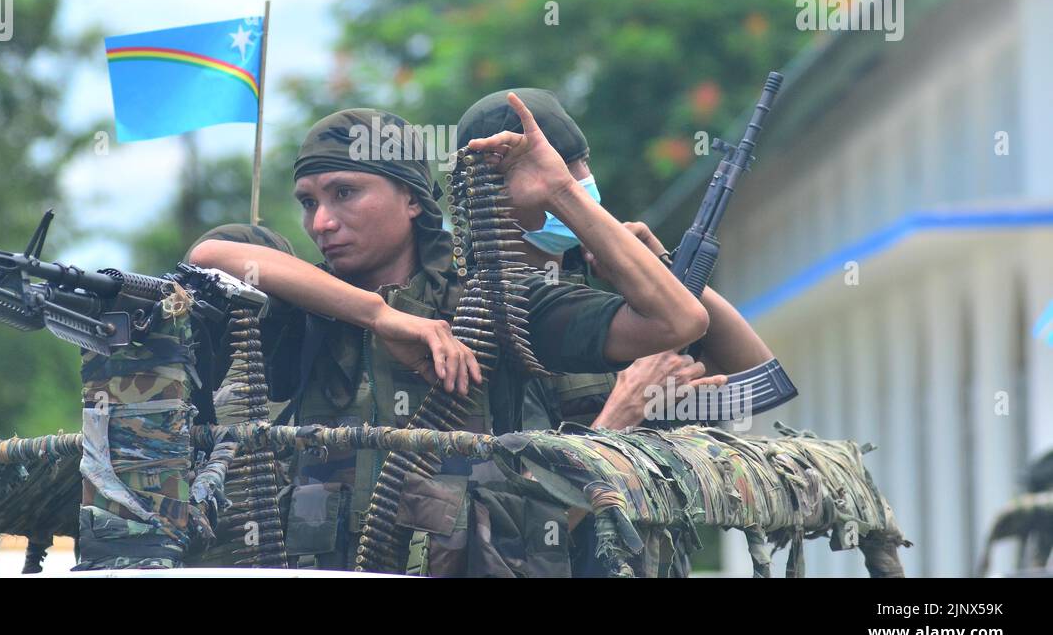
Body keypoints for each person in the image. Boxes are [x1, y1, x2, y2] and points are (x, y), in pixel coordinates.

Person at [188, 105, 708, 571]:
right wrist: (380, 316)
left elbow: (676, 321)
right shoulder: (311, 306)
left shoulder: (492, 301)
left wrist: (561, 193)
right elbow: (210, 256)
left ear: (413, 199)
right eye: (308, 202)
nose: (322, 222)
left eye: (345, 193)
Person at [456, 88, 775, 431]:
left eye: (583, 162)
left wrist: (663, 268)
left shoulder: (608, 295)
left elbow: (754, 381)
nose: (582, 179)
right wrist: (624, 411)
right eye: (561, 166)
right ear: (502, 190)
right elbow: (524, 483)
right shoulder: (491, 321)